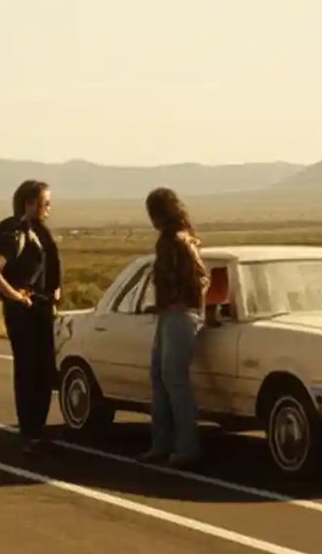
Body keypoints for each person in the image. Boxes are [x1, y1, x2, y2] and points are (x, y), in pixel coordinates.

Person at [0, 179, 62, 455]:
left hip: (40, 309)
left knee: (44, 369)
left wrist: (55, 290)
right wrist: (15, 296)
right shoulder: (16, 232)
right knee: (29, 371)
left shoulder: (40, 233)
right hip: (23, 313)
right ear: (29, 204)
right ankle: (30, 434)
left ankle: (36, 430)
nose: (48, 209)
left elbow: (47, 268)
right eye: (43, 204)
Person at [139, 186, 212, 469]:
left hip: (180, 315)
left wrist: (183, 304)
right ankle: (162, 444)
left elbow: (199, 279)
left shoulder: (179, 241)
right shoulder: (173, 239)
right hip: (171, 314)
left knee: (174, 381)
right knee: (160, 379)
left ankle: (185, 447)